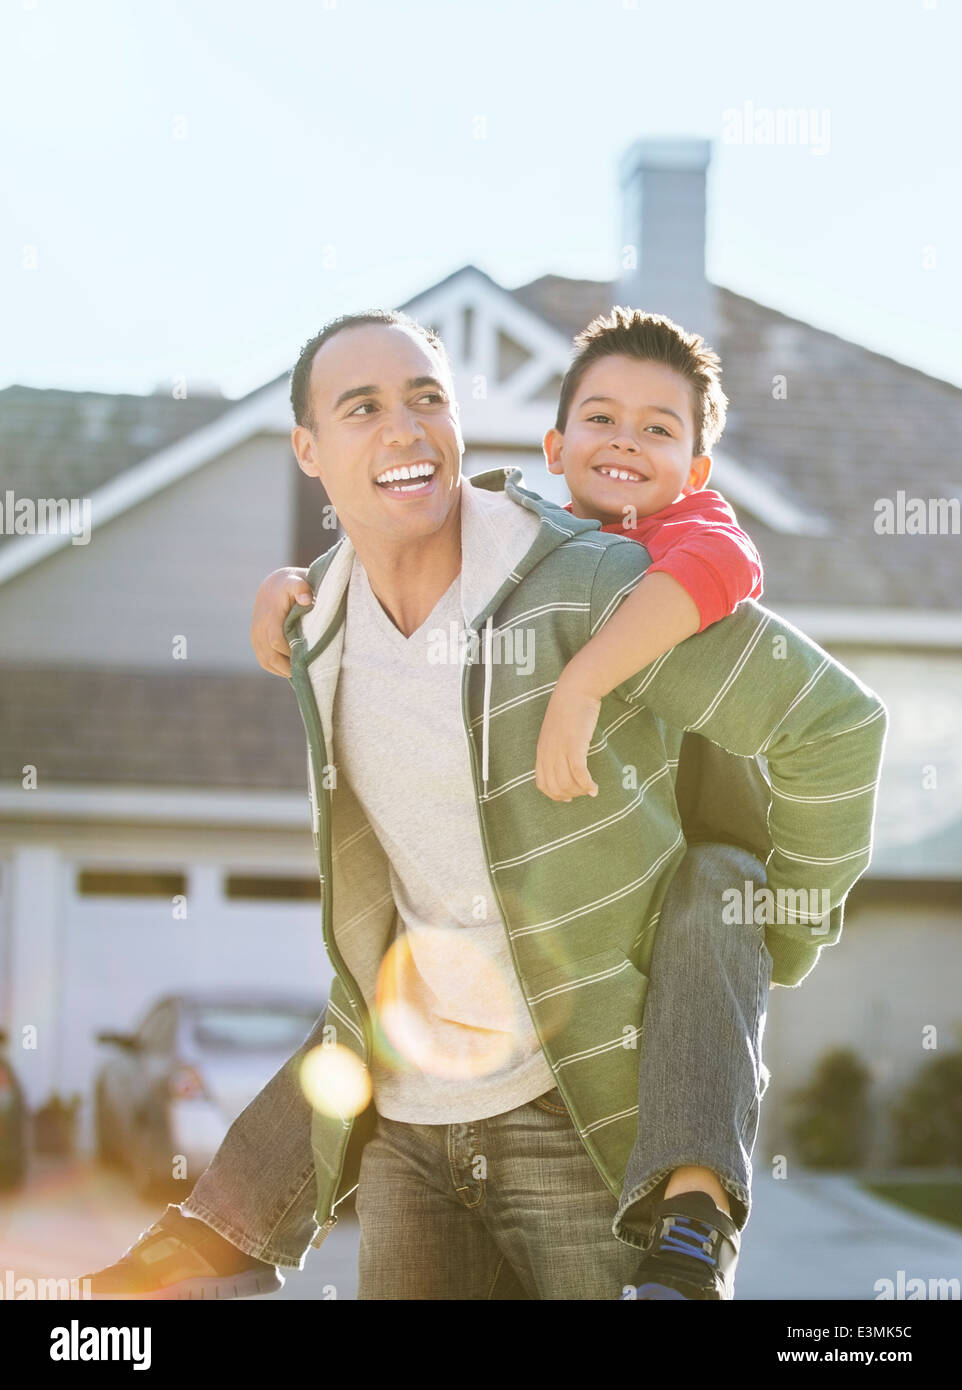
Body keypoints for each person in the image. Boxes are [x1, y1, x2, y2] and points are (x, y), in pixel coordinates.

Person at [84, 308, 886, 1300]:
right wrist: (281, 590)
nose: (403, 428)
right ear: (307, 450)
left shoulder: (605, 586)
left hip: (579, 1115)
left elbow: (835, 728)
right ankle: (218, 1232)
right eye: (362, 407)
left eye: (426, 398)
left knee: (717, 889)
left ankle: (691, 1210)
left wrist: (781, 930)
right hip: (409, 1131)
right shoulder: (319, 621)